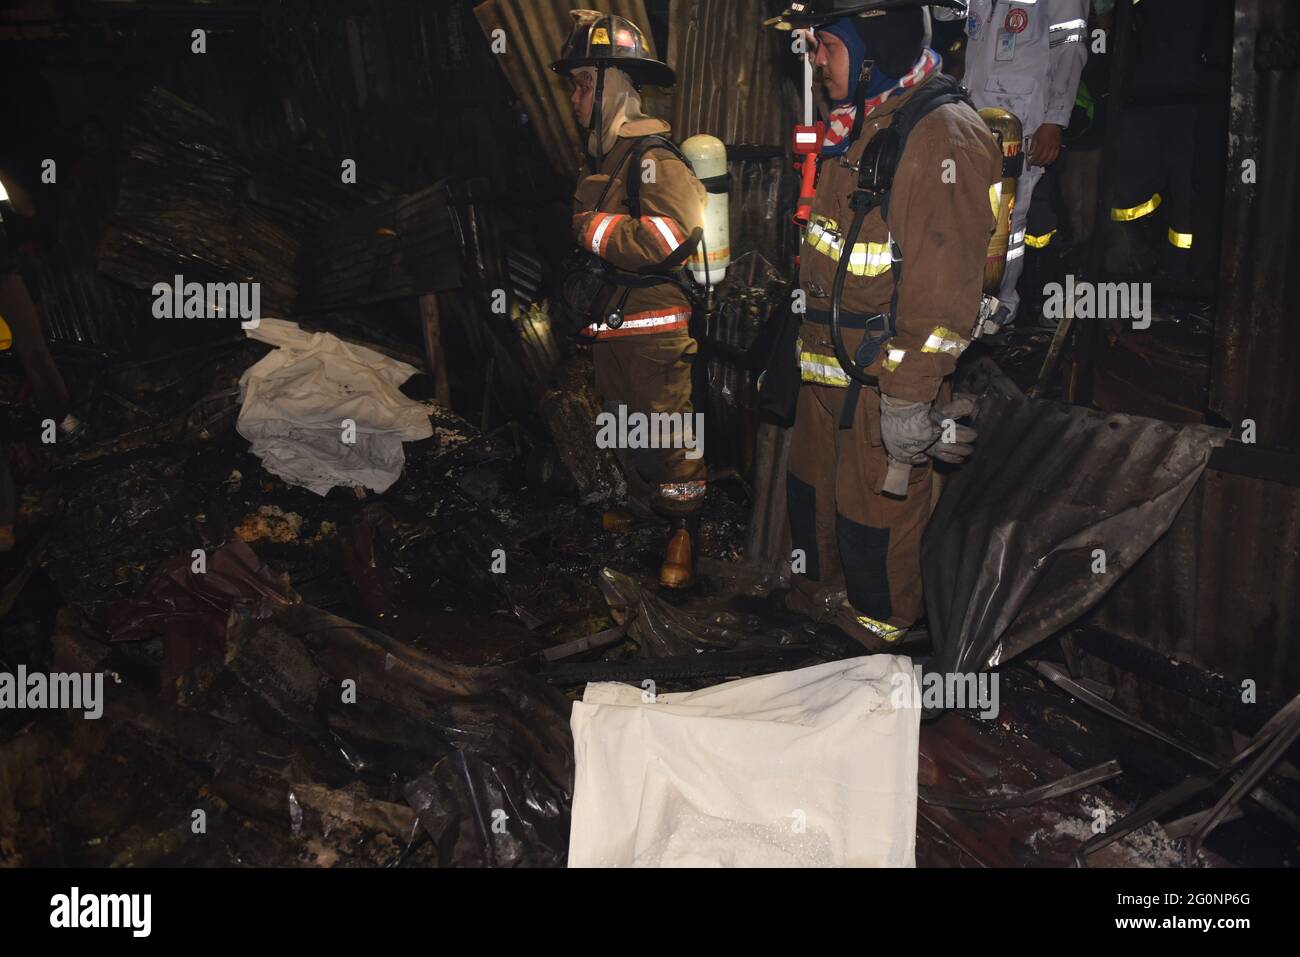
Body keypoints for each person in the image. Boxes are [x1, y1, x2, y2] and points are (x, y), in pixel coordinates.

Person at [768, 0, 1002, 648]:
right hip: (825, 385)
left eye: (826, 46)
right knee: (814, 518)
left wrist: (907, 401)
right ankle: (820, 638)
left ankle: (882, 666)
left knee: (876, 543)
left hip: (879, 392)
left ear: (875, 42)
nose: (814, 61)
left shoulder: (941, 136)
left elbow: (940, 297)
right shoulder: (864, 125)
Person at [552, 10, 709, 589]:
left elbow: (668, 236)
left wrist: (590, 230)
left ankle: (684, 533)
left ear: (610, 86)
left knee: (668, 433)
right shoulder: (604, 159)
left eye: (582, 85)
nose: (574, 98)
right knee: (625, 428)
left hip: (654, 325)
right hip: (613, 326)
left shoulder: (653, 157)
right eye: (573, 86)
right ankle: (650, 515)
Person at [936, 0, 1089, 327]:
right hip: (972, 110)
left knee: (1009, 216)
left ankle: (1000, 307)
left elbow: (1070, 48)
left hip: (1023, 117)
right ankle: (967, 299)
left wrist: (1055, 120)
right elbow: (943, 12)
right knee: (966, 210)